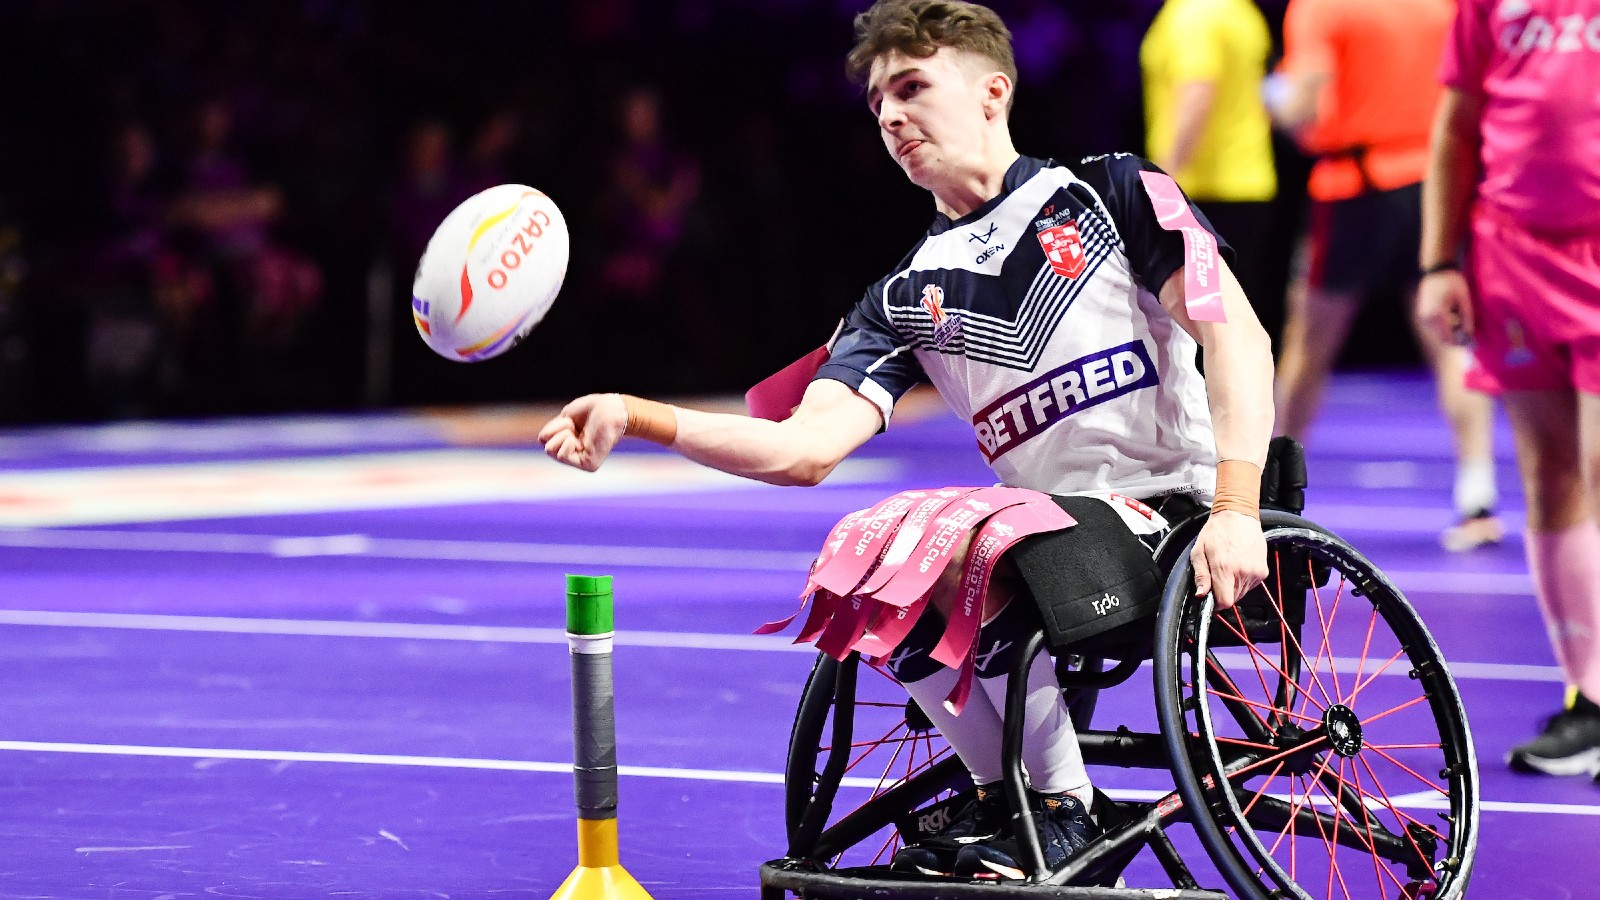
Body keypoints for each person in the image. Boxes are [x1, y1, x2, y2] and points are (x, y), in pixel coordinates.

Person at [539, 0, 1273, 880]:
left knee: (965, 536)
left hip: (1172, 518)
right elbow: (802, 451)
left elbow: (1240, 338)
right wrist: (640, 414)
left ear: (993, 92)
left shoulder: (1111, 191)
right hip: (1046, 537)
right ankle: (1010, 797)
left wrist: (1236, 506)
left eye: (913, 87)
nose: (890, 115)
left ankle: (1064, 810)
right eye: (879, 99)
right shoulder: (901, 295)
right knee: (866, 555)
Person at [1417, 0, 1600, 779]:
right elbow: (1458, 123)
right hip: (1512, 253)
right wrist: (1438, 262)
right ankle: (1587, 702)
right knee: (1549, 478)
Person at [1267, 0, 1504, 552]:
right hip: (1433, 180)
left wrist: (1271, 100)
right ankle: (1478, 495)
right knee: (1451, 341)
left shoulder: (1322, 7)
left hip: (1353, 187)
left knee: (1308, 347)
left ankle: (1266, 490)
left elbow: (1306, 104)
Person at [1139, 0, 1277, 328]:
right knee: (1235, 327)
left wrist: (1161, 186)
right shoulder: (1241, 11)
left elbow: (1196, 96)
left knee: (1200, 331)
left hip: (1202, 192)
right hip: (1250, 184)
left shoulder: (1194, 16)